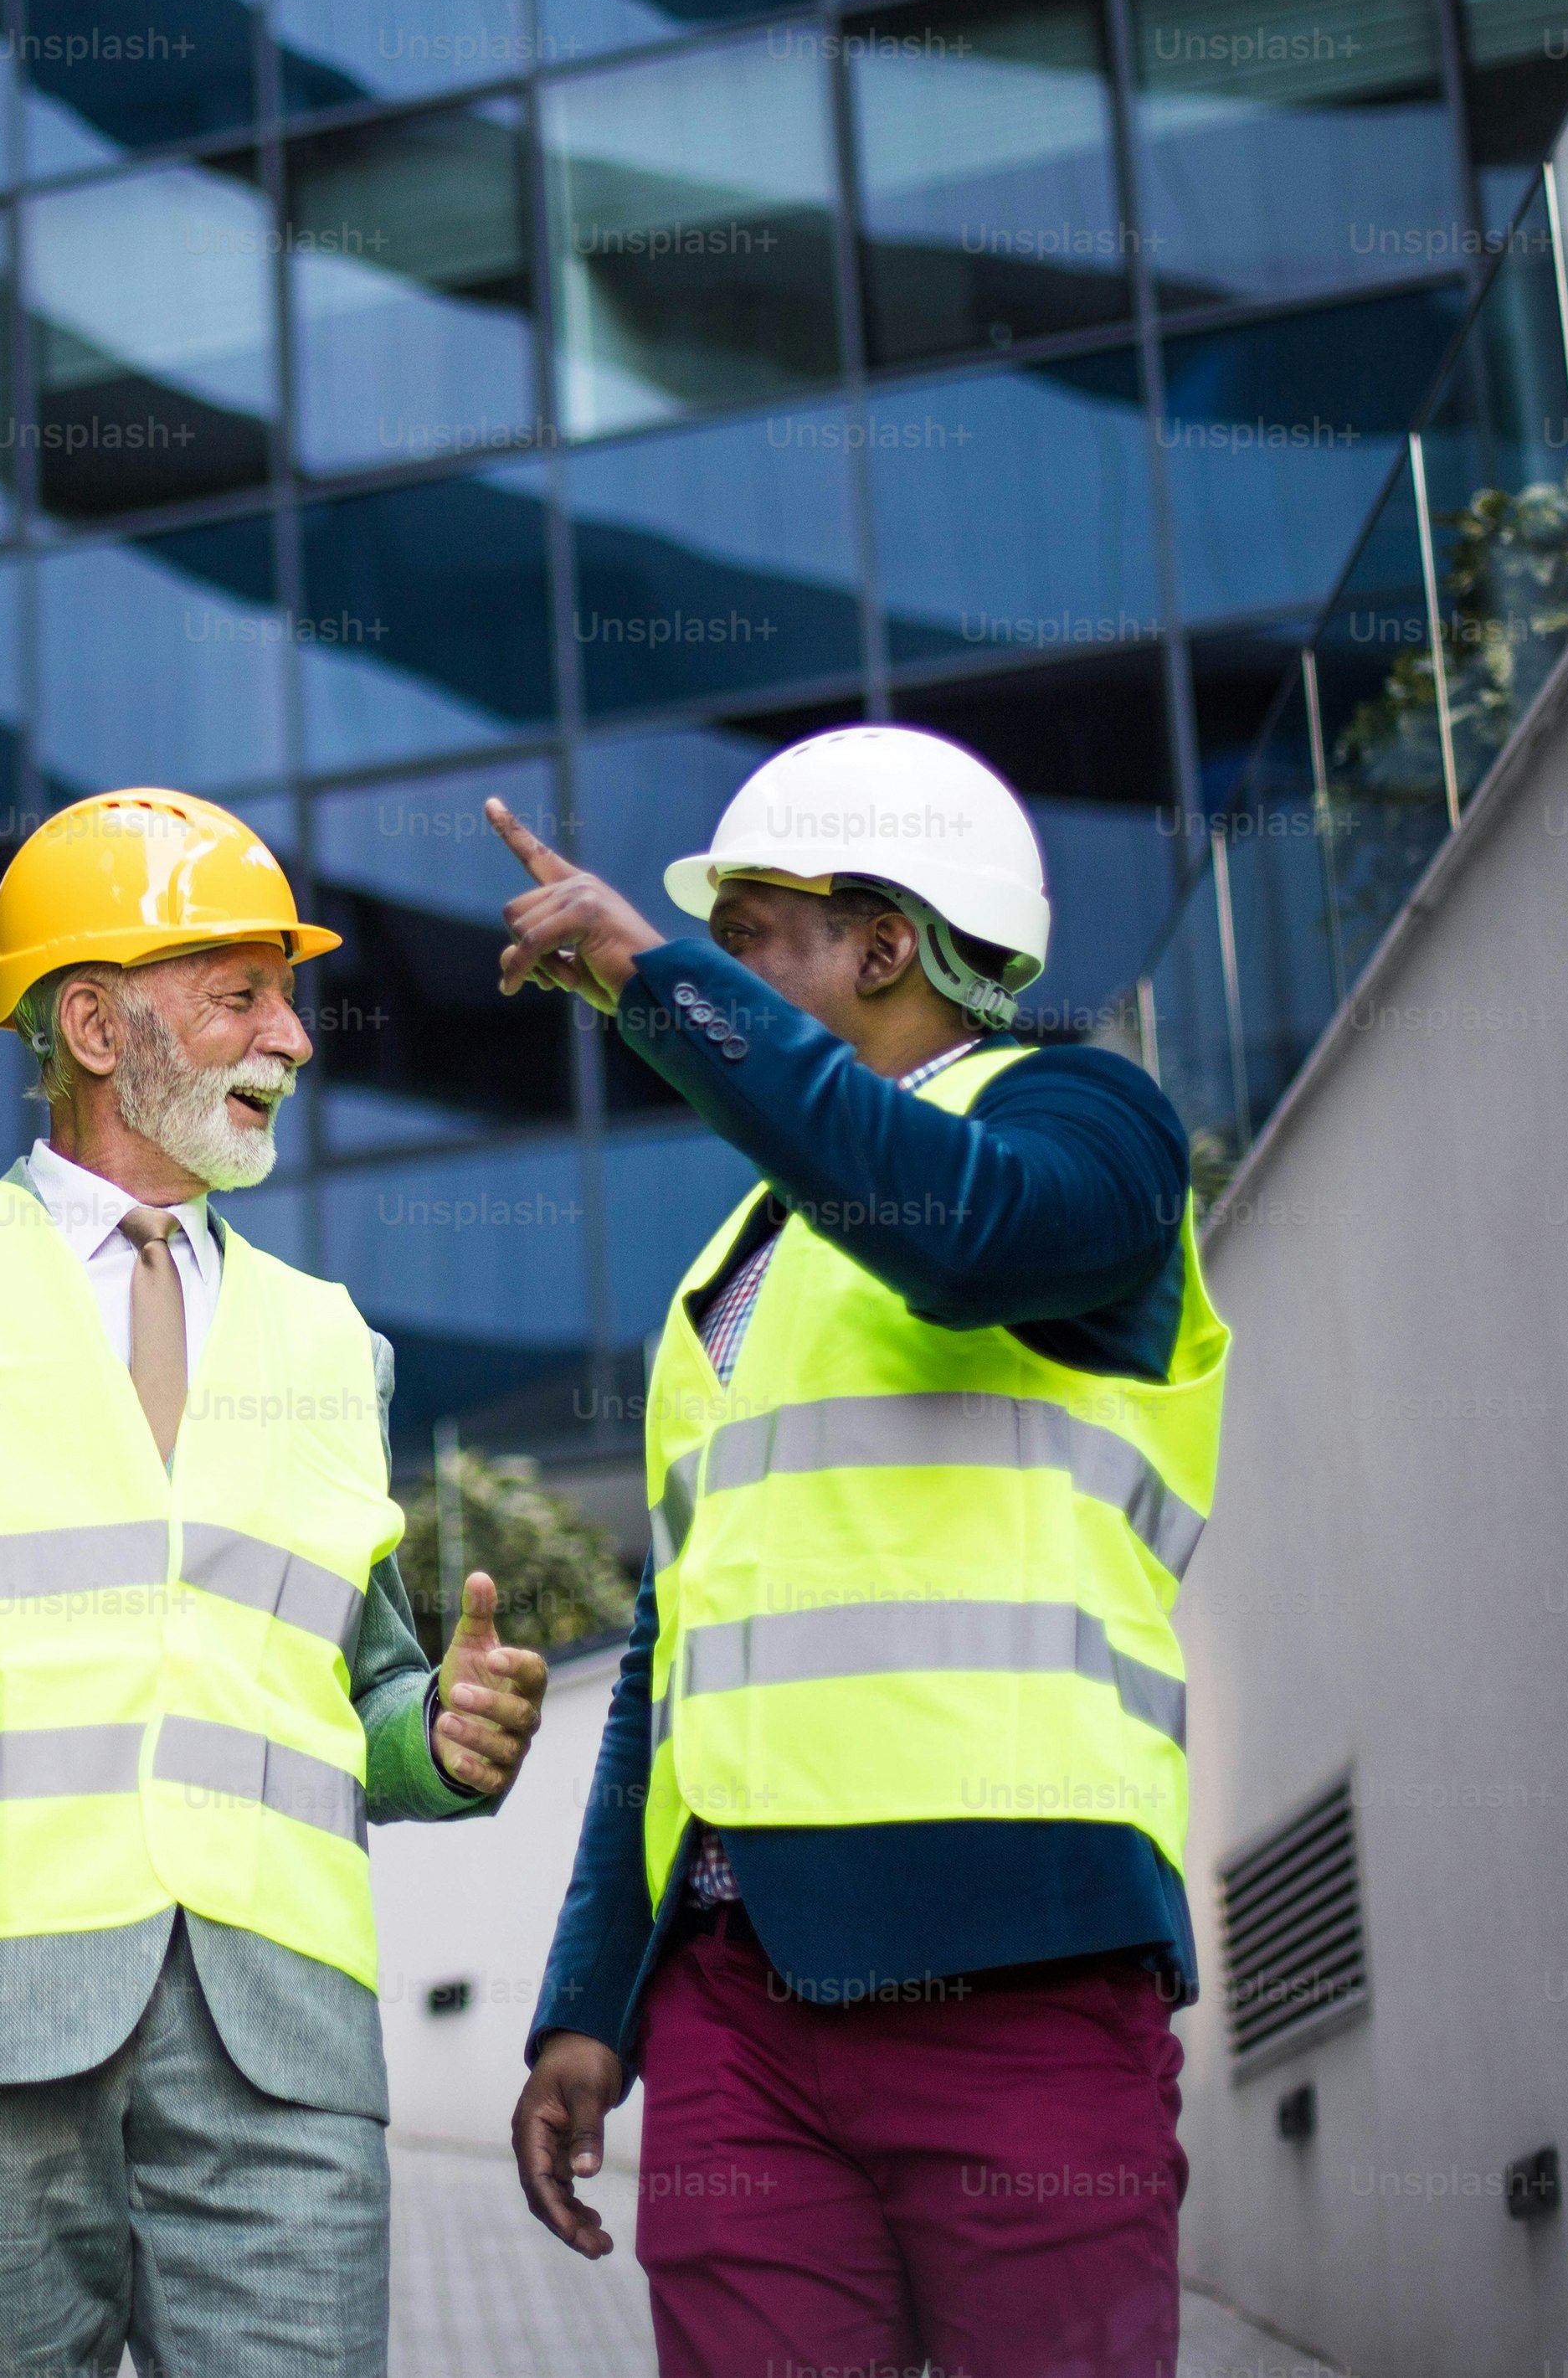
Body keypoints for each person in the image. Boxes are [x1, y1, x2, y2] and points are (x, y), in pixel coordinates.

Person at [0, 785, 552, 2378]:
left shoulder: (336, 1345)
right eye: (240, 995)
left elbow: (366, 1699)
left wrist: (446, 1736)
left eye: (287, 996)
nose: (294, 1037)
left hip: (279, 2056)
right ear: (92, 1020)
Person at [484, 726, 1228, 2375]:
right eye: (716, 951)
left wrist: (651, 979)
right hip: (737, 2006)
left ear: (885, 946)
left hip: (1019, 1973)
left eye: (751, 939)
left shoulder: (1085, 1121)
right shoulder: (728, 1279)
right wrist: (587, 2011)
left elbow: (958, 1237)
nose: (718, 979)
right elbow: (672, 1677)